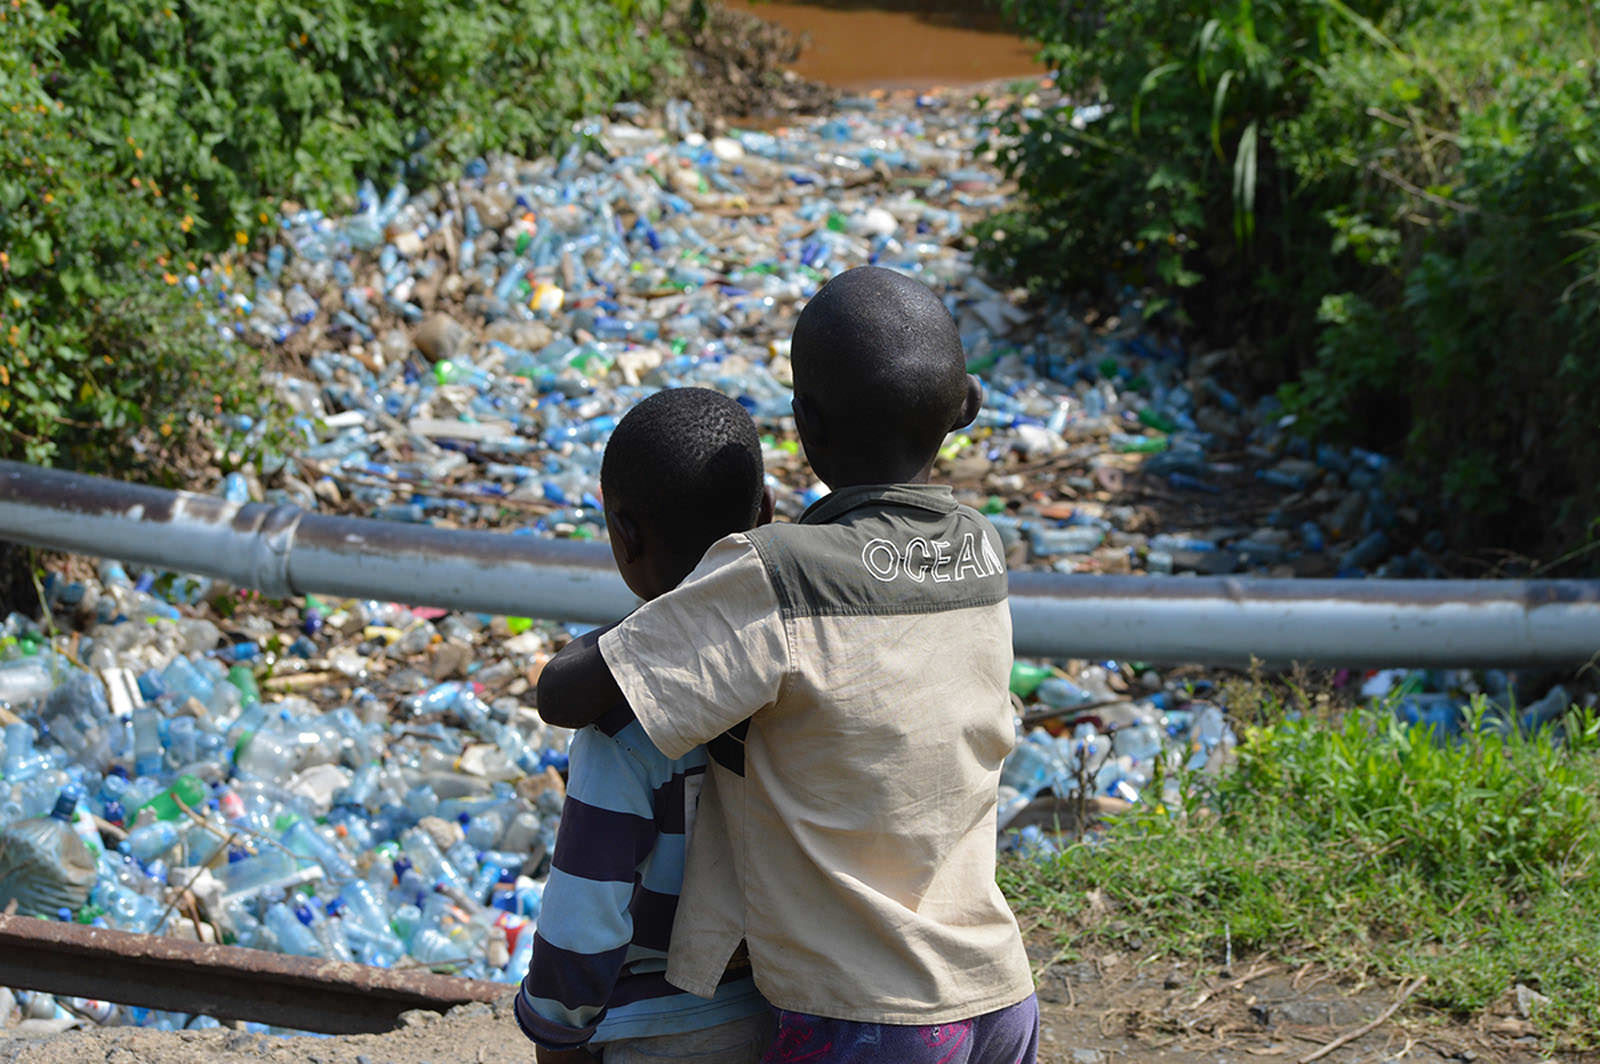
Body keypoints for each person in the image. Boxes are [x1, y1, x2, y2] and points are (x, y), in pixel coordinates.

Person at [537, 266, 1039, 1064]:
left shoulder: (779, 575)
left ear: (805, 424)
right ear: (963, 412)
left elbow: (565, 693)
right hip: (999, 991)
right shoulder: (980, 551)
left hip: (868, 1014)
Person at [516, 388, 776, 1064]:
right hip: (787, 1011)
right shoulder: (794, 672)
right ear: (767, 515)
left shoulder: (622, 721)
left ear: (624, 534)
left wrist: (557, 1029)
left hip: (656, 1034)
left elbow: (587, 913)